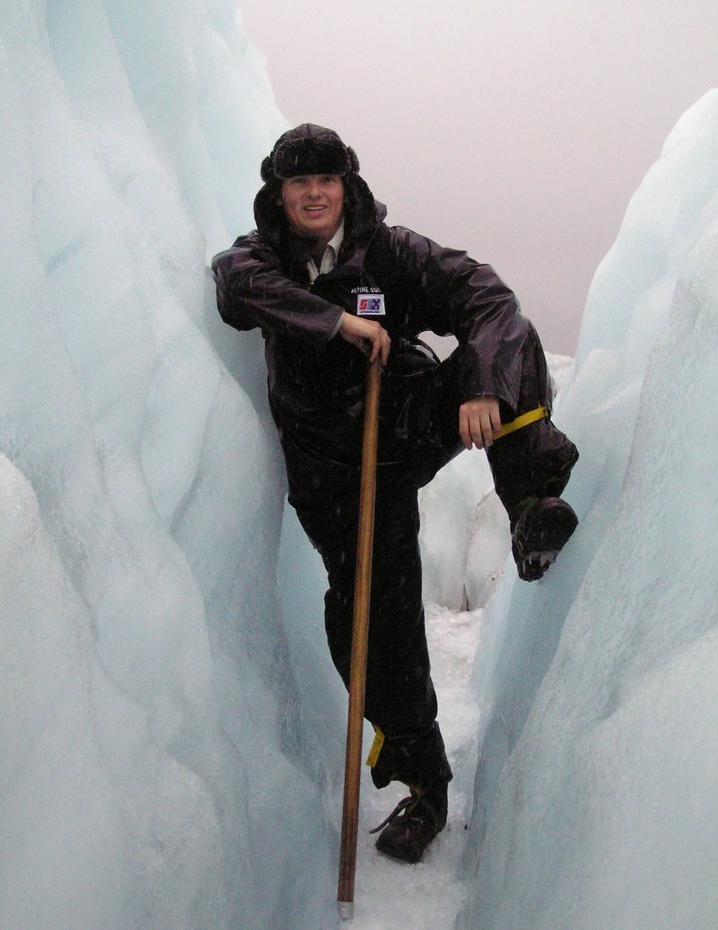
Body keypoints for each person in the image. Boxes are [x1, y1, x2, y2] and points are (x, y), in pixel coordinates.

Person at [212, 124, 579, 864]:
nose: (314, 193)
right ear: (277, 194)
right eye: (298, 183)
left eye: (327, 179)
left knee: (516, 342)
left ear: (347, 185)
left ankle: (532, 503)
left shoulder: (392, 251)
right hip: (334, 475)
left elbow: (486, 296)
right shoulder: (264, 258)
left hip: (403, 421)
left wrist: (477, 384)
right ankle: (424, 786)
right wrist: (334, 320)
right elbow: (235, 287)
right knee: (375, 633)